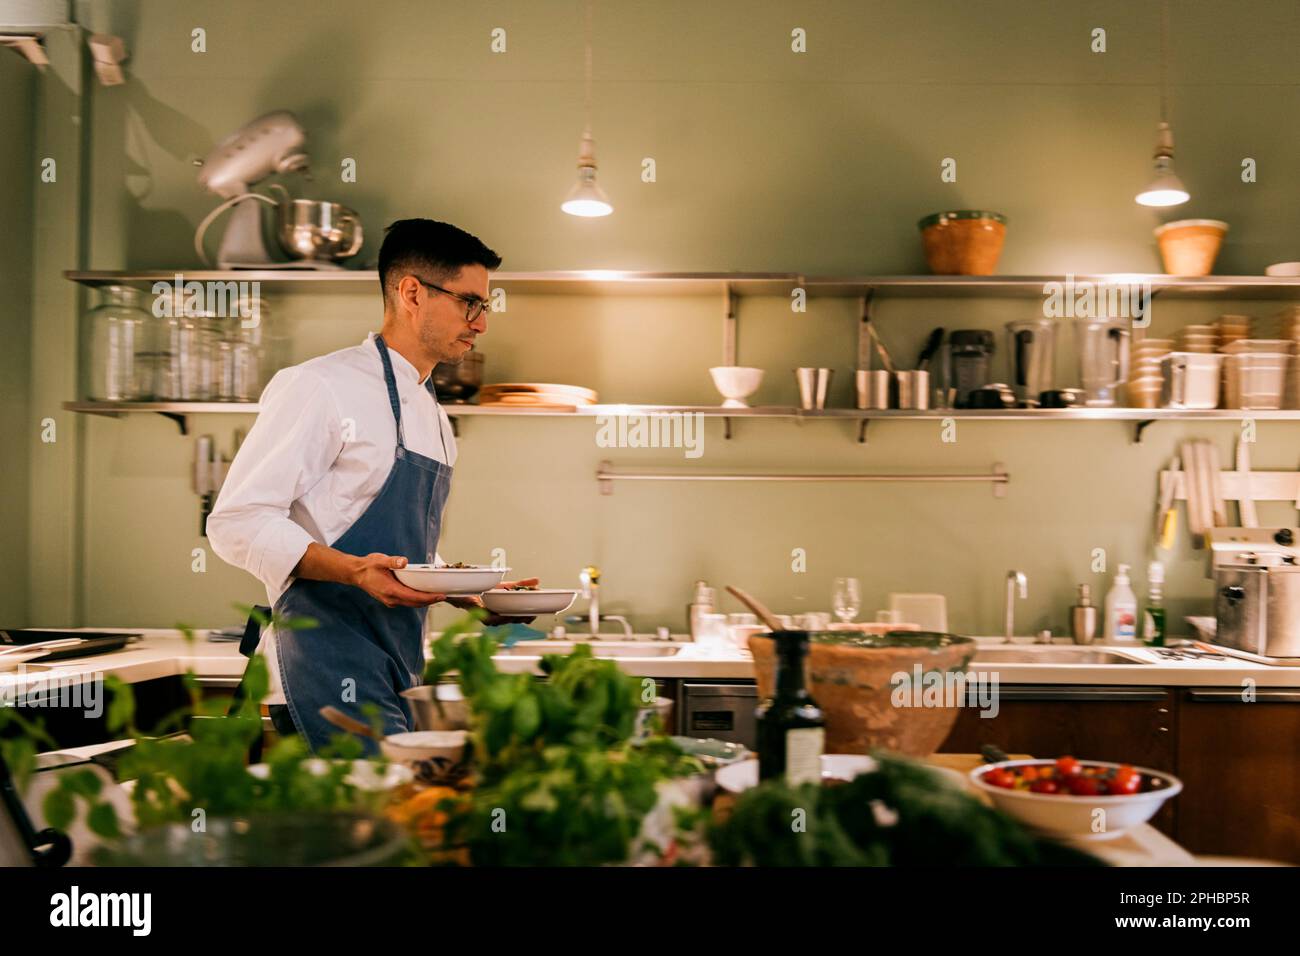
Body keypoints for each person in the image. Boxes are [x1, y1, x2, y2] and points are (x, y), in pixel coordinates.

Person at [208, 219, 534, 752]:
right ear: (412, 293)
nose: (481, 324)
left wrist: (465, 591)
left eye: (485, 307)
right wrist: (356, 572)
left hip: (394, 664)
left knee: (400, 824)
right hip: (321, 663)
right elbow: (235, 522)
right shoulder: (320, 386)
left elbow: (398, 548)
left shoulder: (432, 412)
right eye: (470, 304)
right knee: (379, 829)